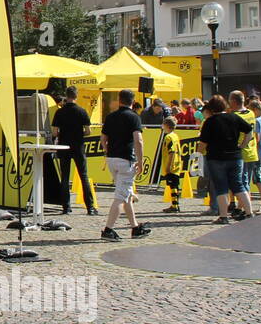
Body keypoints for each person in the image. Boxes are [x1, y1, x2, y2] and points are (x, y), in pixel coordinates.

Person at [99, 89, 151, 241]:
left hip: (111, 159)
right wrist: (140, 161)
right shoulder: (134, 117)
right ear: (133, 101)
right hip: (126, 159)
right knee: (121, 196)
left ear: (119, 100)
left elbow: (103, 138)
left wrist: (107, 150)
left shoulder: (110, 117)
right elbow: (138, 140)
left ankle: (135, 227)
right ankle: (108, 229)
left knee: (126, 193)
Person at [197, 95, 254, 224]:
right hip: (235, 156)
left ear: (211, 108)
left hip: (216, 158)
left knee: (221, 187)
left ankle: (223, 216)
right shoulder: (234, 117)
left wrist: (198, 153)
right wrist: (242, 145)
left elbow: (203, 142)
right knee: (239, 186)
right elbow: (249, 131)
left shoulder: (210, 122)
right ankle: (250, 213)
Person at [52, 86, 96, 216]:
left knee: (65, 177)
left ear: (66, 96)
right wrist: (79, 133)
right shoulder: (81, 111)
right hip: (78, 146)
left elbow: (55, 131)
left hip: (63, 146)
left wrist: (63, 133)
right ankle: (90, 207)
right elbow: (88, 131)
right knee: (83, 176)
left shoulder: (59, 112)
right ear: (76, 96)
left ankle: (66, 207)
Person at [229, 91, 259, 207]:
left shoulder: (235, 116)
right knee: (245, 182)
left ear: (233, 101)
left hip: (240, 152)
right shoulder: (251, 113)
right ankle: (242, 206)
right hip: (252, 151)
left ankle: (244, 208)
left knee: (241, 182)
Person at [159, 117, 184, 213]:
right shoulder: (175, 136)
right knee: (175, 185)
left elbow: (172, 152)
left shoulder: (168, 137)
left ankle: (175, 206)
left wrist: (168, 166)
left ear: (166, 125)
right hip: (177, 163)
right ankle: (175, 204)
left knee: (172, 185)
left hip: (171, 165)